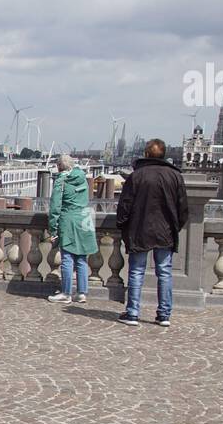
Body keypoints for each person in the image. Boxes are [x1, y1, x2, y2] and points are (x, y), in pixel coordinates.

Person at [115, 138, 189, 328]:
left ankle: (132, 313)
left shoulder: (137, 176)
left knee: (136, 271)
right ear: (164, 155)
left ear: (146, 154)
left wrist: (122, 225)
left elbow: (125, 205)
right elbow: (183, 208)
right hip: (165, 230)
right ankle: (164, 315)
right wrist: (175, 226)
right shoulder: (175, 176)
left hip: (140, 229)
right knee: (164, 272)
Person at [46, 155, 98, 306]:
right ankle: (81, 293)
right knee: (81, 258)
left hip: (68, 220)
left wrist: (53, 229)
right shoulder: (82, 177)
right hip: (84, 218)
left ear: (59, 167)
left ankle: (66, 293)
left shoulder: (61, 181)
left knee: (67, 258)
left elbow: (55, 207)